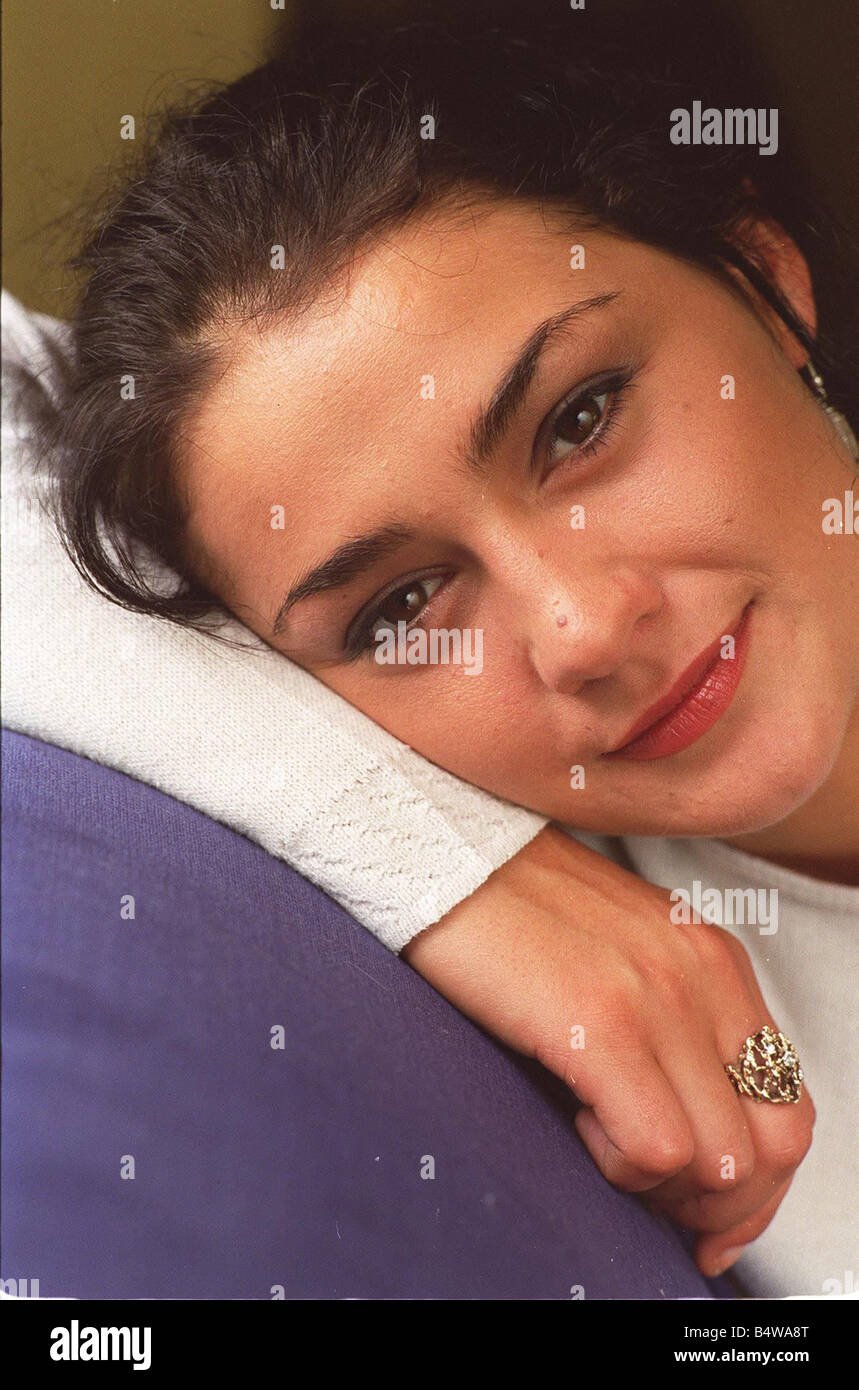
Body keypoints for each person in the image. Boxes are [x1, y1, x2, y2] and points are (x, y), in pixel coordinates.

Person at [20, 15, 859, 1297]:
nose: (578, 627)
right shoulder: (668, 1029)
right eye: (401, 606)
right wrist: (448, 872)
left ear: (764, 278)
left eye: (577, 420)